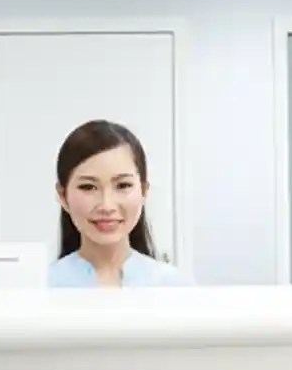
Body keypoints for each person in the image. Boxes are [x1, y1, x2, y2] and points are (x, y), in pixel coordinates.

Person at [48, 120, 192, 288]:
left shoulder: (176, 287)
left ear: (144, 191)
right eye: (88, 187)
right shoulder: (37, 289)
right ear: (63, 196)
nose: (106, 206)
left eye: (123, 185)